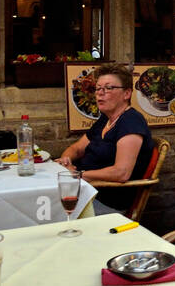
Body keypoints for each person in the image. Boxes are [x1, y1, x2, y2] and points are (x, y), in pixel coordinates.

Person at [58, 63, 155, 213]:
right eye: (98, 88)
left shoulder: (131, 122)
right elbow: (77, 148)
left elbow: (121, 172)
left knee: (48, 210)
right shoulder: (106, 119)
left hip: (108, 202)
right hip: (85, 191)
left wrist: (79, 175)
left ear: (127, 94)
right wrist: (66, 161)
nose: (100, 93)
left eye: (109, 88)